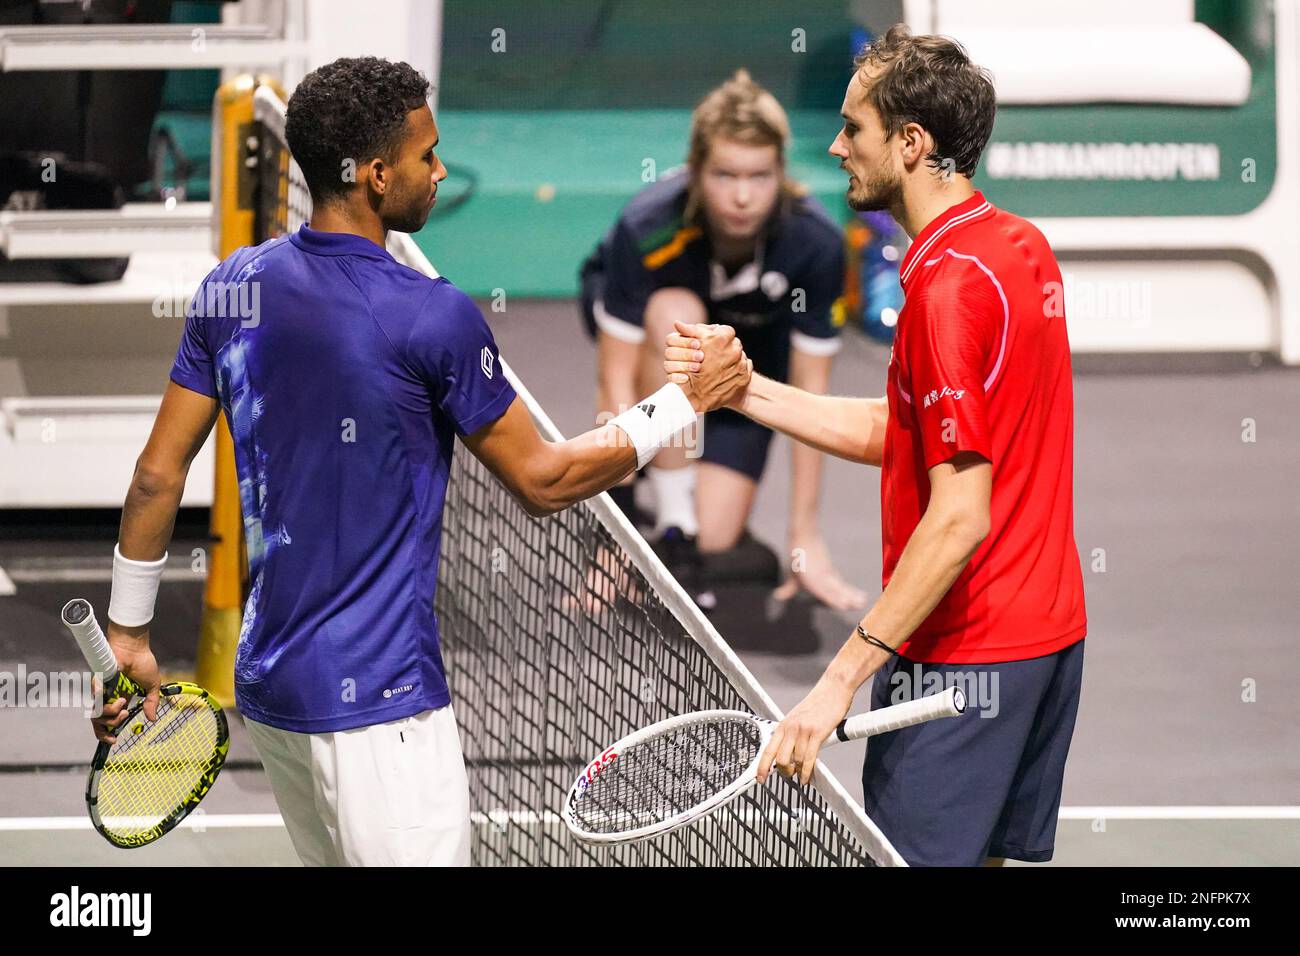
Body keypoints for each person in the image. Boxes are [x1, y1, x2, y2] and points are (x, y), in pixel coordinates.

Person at [90, 56, 750, 867]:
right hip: (381, 706)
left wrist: (129, 632)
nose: (439, 172)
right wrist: (685, 403)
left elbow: (157, 475)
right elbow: (546, 480)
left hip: (276, 689)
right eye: (426, 155)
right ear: (374, 174)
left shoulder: (232, 287)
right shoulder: (432, 316)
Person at [666, 26, 1087, 866]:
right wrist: (744, 388)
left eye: (853, 127)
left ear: (910, 142)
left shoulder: (943, 291)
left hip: (962, 659)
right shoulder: (1017, 247)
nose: (834, 145)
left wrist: (837, 681)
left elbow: (959, 517)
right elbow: (904, 435)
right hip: (1049, 639)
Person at [580, 70, 866, 610]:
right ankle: (669, 524)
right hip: (655, 332)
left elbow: (813, 398)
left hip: (748, 367)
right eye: (724, 175)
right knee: (679, 314)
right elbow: (613, 385)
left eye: (759, 176)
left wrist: (803, 536)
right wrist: (608, 545)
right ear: (695, 171)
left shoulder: (816, 246)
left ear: (781, 172)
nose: (741, 196)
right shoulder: (646, 229)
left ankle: (684, 523)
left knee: (717, 535)